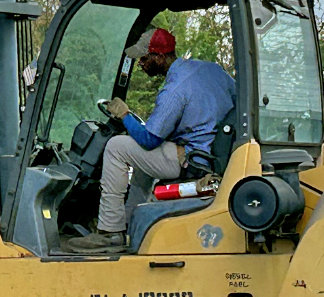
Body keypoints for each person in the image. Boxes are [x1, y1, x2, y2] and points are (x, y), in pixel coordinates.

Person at [66, 25, 236, 253]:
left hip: (193, 161)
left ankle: (109, 231)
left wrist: (125, 115)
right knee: (141, 160)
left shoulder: (174, 90)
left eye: (144, 59)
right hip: (216, 155)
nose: (140, 64)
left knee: (116, 147)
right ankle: (130, 224)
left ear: (160, 57)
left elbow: (149, 140)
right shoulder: (212, 71)